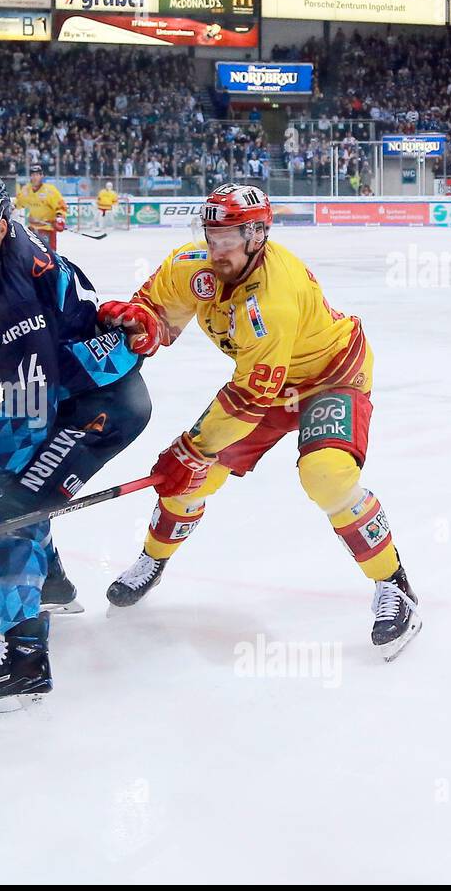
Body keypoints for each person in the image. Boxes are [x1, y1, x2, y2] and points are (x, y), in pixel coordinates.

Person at [99, 183, 421, 661]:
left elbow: (249, 398)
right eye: (210, 234)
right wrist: (142, 323)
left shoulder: (273, 298)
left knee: (326, 476)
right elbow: (157, 308)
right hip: (265, 382)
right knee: (190, 483)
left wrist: (191, 449)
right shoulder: (194, 265)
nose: (215, 248)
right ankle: (154, 557)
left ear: (256, 236)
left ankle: (396, 588)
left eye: (227, 238)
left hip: (330, 377)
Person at [0, 169, 151, 723]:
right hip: (61, 393)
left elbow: (28, 405)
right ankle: (51, 583)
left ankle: (26, 667)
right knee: (16, 495)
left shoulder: (15, 286)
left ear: (0, 227)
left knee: (10, 510)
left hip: (100, 406)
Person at [14, 163, 68, 251]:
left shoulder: (50, 191)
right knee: (31, 255)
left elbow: (61, 206)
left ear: (42, 176)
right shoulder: (26, 190)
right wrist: (10, 207)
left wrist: (59, 219)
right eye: (33, 175)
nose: (35, 177)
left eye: (37, 175)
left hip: (47, 229)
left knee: (50, 256)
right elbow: (18, 202)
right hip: (32, 230)